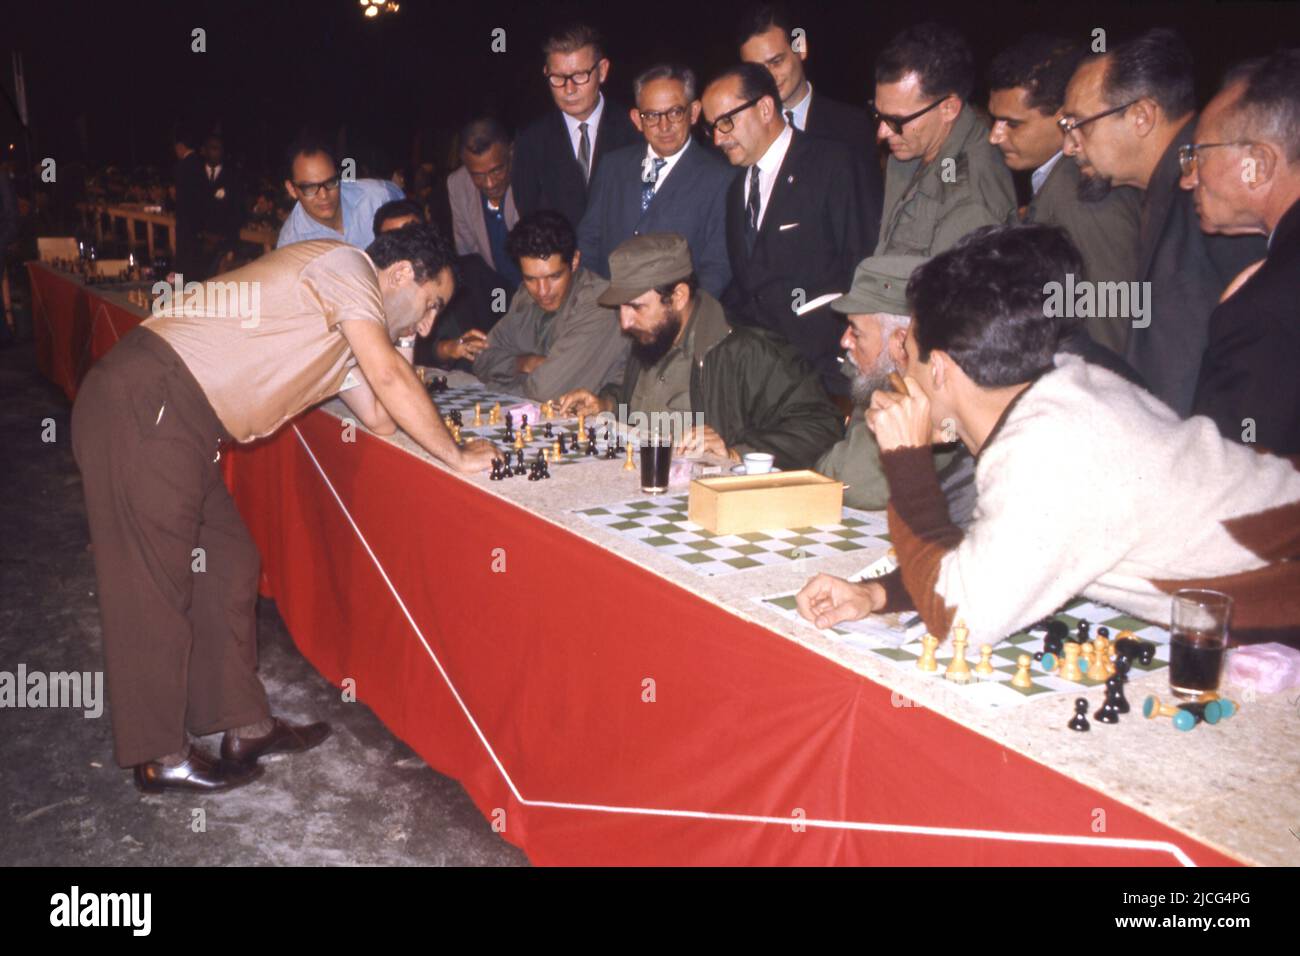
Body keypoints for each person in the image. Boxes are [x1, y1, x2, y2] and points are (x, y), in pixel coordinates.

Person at [70, 224, 496, 793]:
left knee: (228, 561)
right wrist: (457, 454)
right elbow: (392, 379)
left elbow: (379, 415)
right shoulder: (346, 268)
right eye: (430, 304)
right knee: (153, 587)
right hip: (148, 402)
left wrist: (406, 335)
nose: (430, 323)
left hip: (181, 423)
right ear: (398, 275)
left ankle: (242, 724)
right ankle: (159, 755)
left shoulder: (348, 329)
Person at [795, 223, 1300, 649]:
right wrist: (878, 595)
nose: (901, 369)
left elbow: (961, 622)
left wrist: (907, 462)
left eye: (911, 353)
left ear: (943, 370)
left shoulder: (1051, 449)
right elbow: (989, 559)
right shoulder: (1064, 384)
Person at [1061, 28, 1267, 416]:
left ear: (1141, 116)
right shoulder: (1166, 193)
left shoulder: (1208, 195)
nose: (1069, 146)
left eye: (1078, 125)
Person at [556, 233, 841, 470]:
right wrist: (607, 405)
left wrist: (735, 453)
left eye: (636, 306)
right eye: (620, 308)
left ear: (678, 296)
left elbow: (822, 425)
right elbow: (646, 409)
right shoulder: (651, 333)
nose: (624, 322)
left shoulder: (748, 350)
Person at [703, 63, 870, 398]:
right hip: (766, 380)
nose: (718, 138)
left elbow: (861, 265)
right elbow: (750, 286)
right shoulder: (737, 188)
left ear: (765, 108)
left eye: (726, 121)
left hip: (827, 376)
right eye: (712, 128)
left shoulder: (831, 164)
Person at [987, 34, 1141, 355]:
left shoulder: (1085, 201)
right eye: (994, 119)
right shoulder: (1057, 184)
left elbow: (1109, 331)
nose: (994, 136)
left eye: (1012, 124)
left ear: (1063, 118)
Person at [1185, 49, 1300, 456]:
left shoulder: (1261, 311)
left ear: (1260, 164)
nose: (1188, 179)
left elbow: (1230, 476)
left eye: (1198, 156)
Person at [815, 256, 977, 521]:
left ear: (900, 343)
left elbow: (850, 484)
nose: (844, 341)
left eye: (856, 331)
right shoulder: (879, 382)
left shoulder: (940, 408)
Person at [577, 63, 734, 298]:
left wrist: (682, 317)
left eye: (675, 112)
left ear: (693, 112)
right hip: (606, 311)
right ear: (636, 119)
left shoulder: (722, 178)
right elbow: (589, 239)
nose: (664, 126)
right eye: (651, 115)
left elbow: (718, 266)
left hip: (675, 320)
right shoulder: (613, 166)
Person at [737, 2, 883, 240]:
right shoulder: (743, 134)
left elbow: (868, 219)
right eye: (757, 71)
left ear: (801, 48)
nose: (769, 78)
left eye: (776, 62)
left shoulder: (850, 126)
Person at [873, 22, 1016, 257]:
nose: (882, 132)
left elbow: (949, 292)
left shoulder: (972, 200)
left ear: (948, 108)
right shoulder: (911, 148)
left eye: (896, 120)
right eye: (878, 115)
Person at [472, 210, 628, 401]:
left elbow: (545, 392)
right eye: (530, 279)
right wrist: (524, 363)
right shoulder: (524, 296)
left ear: (575, 261)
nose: (542, 291)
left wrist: (497, 382)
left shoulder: (600, 304)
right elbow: (481, 359)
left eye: (554, 276)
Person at [511, 23, 639, 230]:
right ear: (546, 72)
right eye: (558, 77)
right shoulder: (531, 140)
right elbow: (530, 219)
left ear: (602, 70)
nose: (569, 89)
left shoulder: (635, 130)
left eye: (580, 75)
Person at [372, 200, 489, 369]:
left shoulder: (456, 277)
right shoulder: (354, 297)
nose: (406, 248)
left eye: (412, 235)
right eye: (393, 239)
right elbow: (389, 380)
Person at [276, 134, 403, 250]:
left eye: (331, 182)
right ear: (292, 190)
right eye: (310, 188)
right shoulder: (291, 244)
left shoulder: (380, 197)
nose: (324, 195)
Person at [445, 117, 521, 291]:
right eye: (477, 175)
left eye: (497, 170)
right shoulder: (458, 184)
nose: (489, 184)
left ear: (510, 153)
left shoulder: (531, 173)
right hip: (497, 289)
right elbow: (468, 255)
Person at [197, 134, 246, 276]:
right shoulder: (194, 175)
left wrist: (222, 237)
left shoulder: (233, 177)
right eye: (213, 148)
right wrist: (202, 234)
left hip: (224, 244)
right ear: (204, 150)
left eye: (219, 149)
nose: (217, 152)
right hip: (199, 244)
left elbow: (240, 211)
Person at [171, 126, 207, 280]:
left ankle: (180, 294)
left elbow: (180, 196)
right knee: (195, 260)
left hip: (185, 220)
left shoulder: (183, 166)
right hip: (198, 222)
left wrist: (174, 196)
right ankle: (195, 291)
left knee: (182, 259)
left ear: (180, 147)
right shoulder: (201, 164)